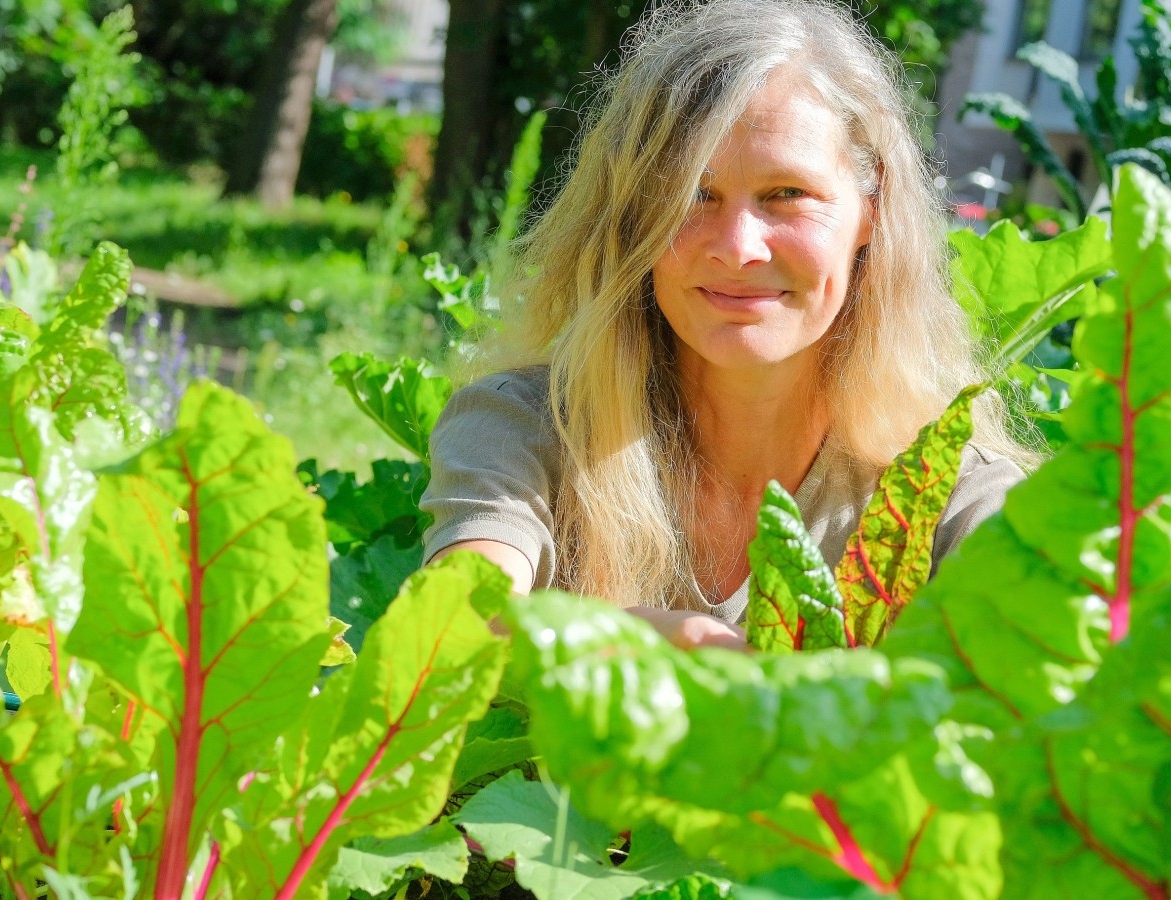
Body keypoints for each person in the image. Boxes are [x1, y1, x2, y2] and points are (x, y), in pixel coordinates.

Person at [420, 0, 1036, 649]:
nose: (738, 246)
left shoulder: (956, 495)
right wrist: (637, 645)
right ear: (631, 217)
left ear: (869, 212)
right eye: (692, 193)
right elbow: (458, 625)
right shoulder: (526, 431)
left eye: (786, 194)